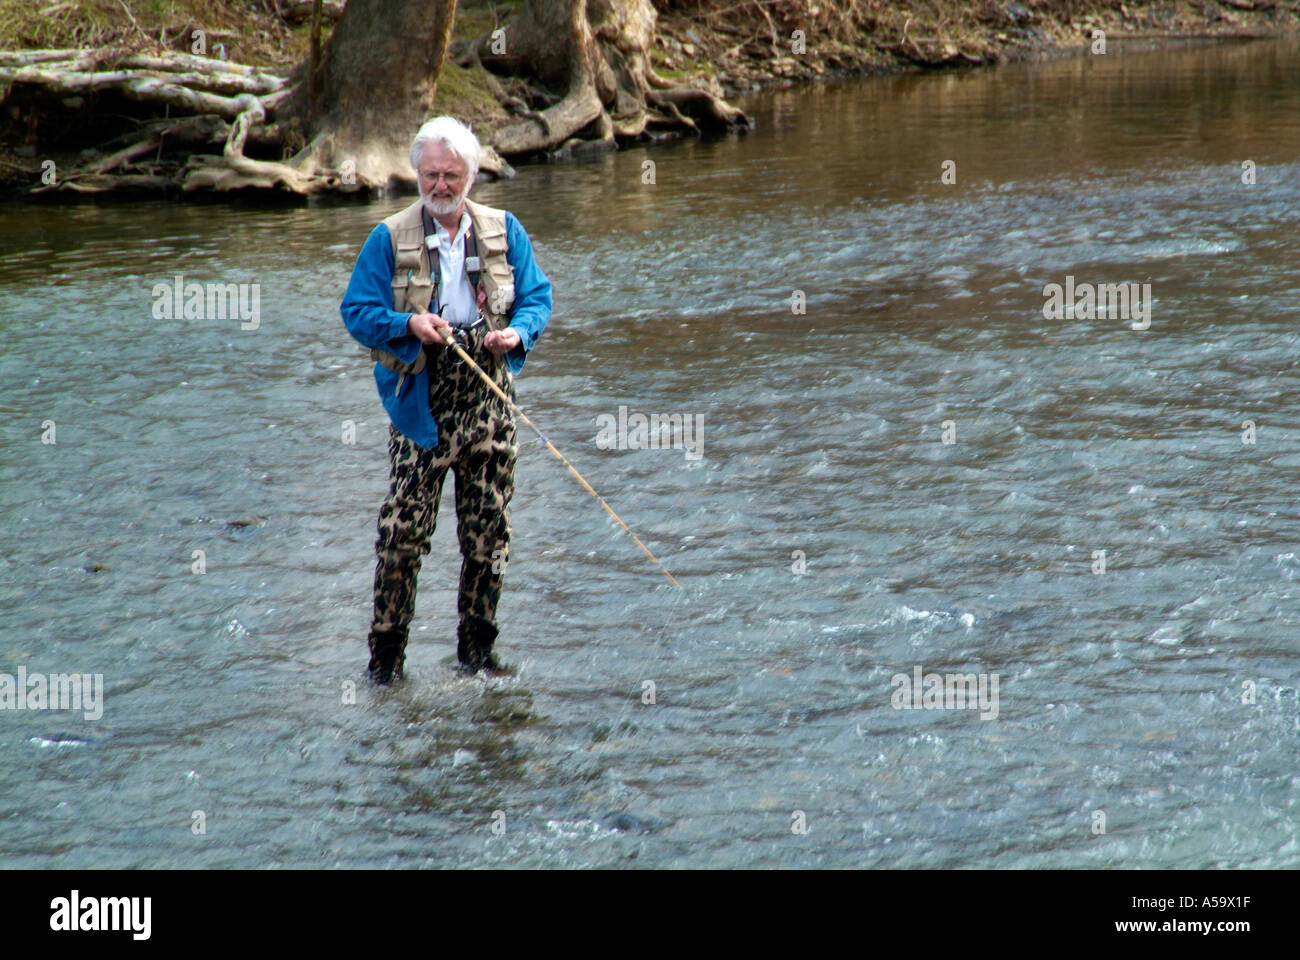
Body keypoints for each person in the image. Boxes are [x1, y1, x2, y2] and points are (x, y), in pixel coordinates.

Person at [340, 116, 552, 683]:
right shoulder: (387, 237)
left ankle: (477, 658)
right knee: (402, 536)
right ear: (416, 173)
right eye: (430, 174)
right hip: (420, 406)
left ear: (472, 175)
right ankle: (385, 668)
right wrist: (409, 322)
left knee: (490, 534)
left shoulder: (506, 230)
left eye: (451, 175)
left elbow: (537, 298)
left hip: (490, 401)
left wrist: (517, 334)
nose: (440, 185)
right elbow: (355, 314)